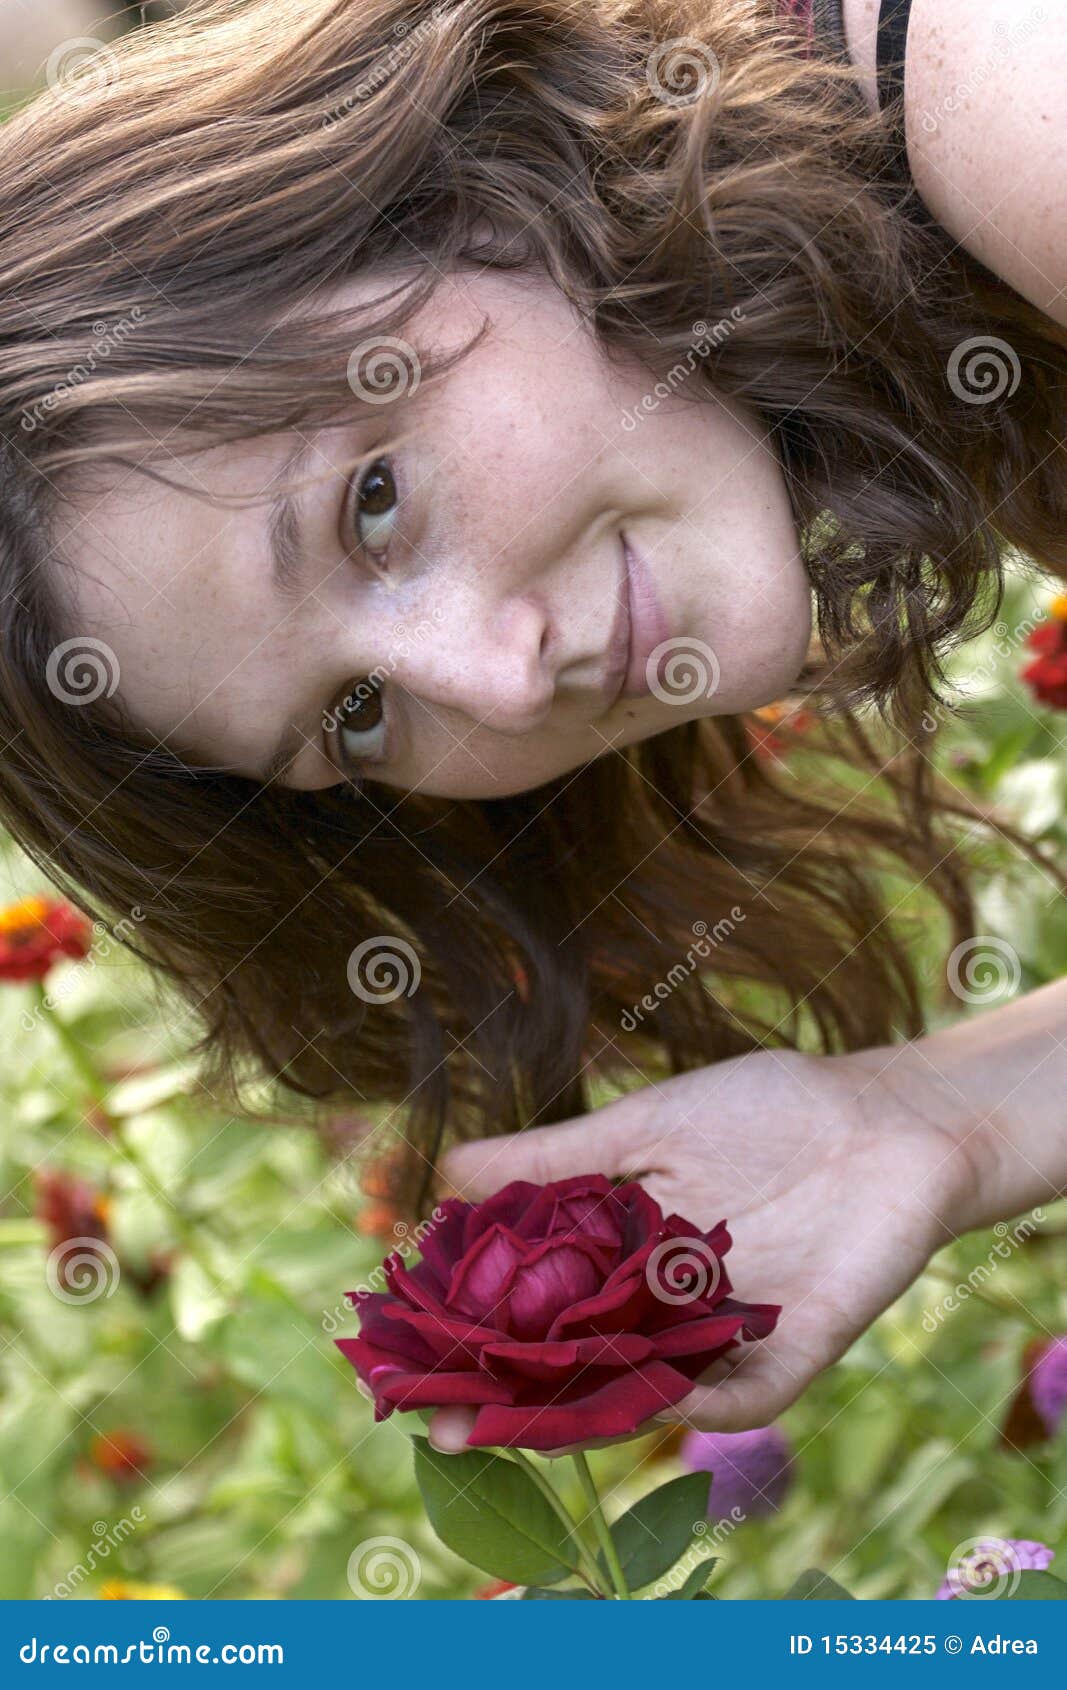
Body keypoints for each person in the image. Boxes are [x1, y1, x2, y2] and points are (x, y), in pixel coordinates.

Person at [0, 0, 1064, 1448]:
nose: (496, 684)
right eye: (355, 717)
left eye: (372, 505)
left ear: (444, 186)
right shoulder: (957, 306)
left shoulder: (1007, 95)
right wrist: (943, 1118)